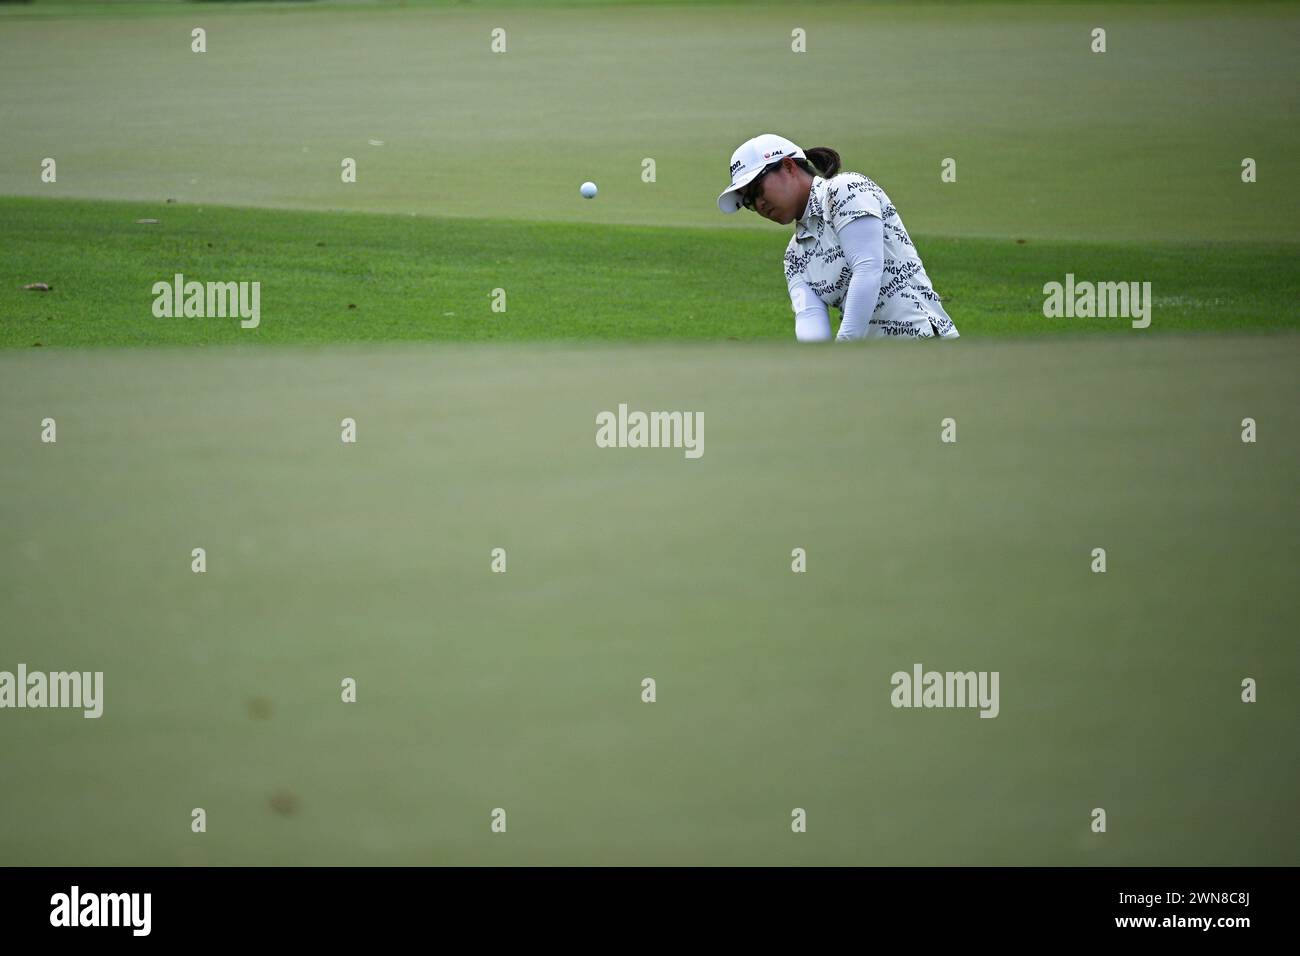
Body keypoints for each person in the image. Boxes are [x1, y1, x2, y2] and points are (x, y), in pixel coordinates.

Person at [717, 133, 959, 343]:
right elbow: (809, 319)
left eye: (758, 190)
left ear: (789, 166)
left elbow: (867, 269)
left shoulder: (846, 190)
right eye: (748, 201)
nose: (759, 204)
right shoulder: (794, 257)